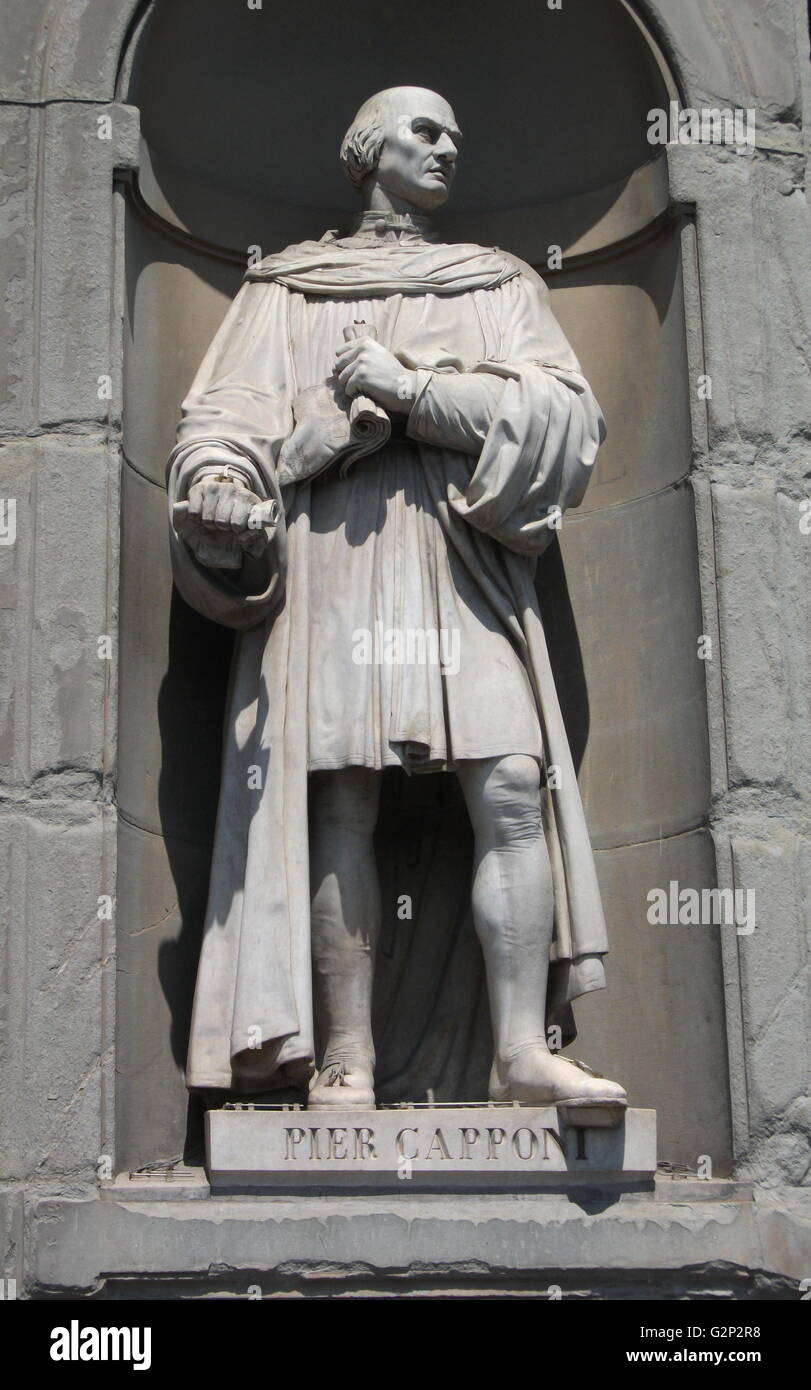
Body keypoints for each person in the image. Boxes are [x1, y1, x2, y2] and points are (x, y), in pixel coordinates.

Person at [167, 86, 627, 1114]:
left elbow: (563, 424)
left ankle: (518, 1047)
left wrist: (415, 393)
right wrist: (227, 484)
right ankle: (346, 1057)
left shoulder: (496, 284)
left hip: (462, 557)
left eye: (457, 133)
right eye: (426, 130)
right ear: (370, 148)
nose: (448, 147)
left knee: (511, 784)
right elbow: (222, 423)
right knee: (341, 794)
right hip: (334, 557)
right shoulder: (285, 287)